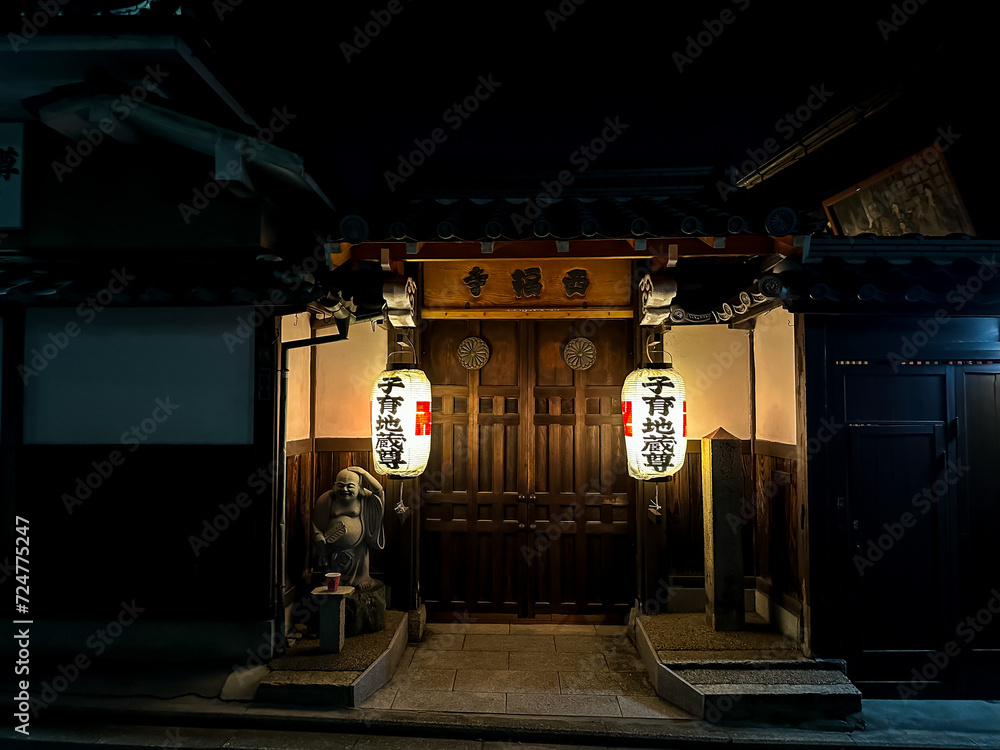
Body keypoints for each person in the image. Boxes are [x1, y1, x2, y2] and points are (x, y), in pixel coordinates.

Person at [311, 466, 385, 590]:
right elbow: (316, 525)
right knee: (331, 574)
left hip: (357, 548)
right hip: (332, 547)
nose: (344, 489)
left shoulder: (363, 498)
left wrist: (364, 473)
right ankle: (334, 581)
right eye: (340, 485)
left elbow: (379, 491)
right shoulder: (326, 499)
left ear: (359, 487)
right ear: (334, 486)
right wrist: (319, 538)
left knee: (361, 553)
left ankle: (360, 578)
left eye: (350, 486)